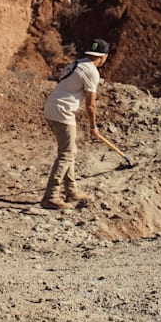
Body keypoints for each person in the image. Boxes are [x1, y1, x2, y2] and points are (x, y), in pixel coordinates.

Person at [41, 38, 110, 210]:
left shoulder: (76, 64)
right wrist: (94, 126)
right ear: (103, 57)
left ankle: (71, 191)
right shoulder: (92, 72)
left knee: (70, 151)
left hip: (52, 108)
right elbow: (91, 104)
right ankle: (51, 196)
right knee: (66, 154)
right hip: (62, 111)